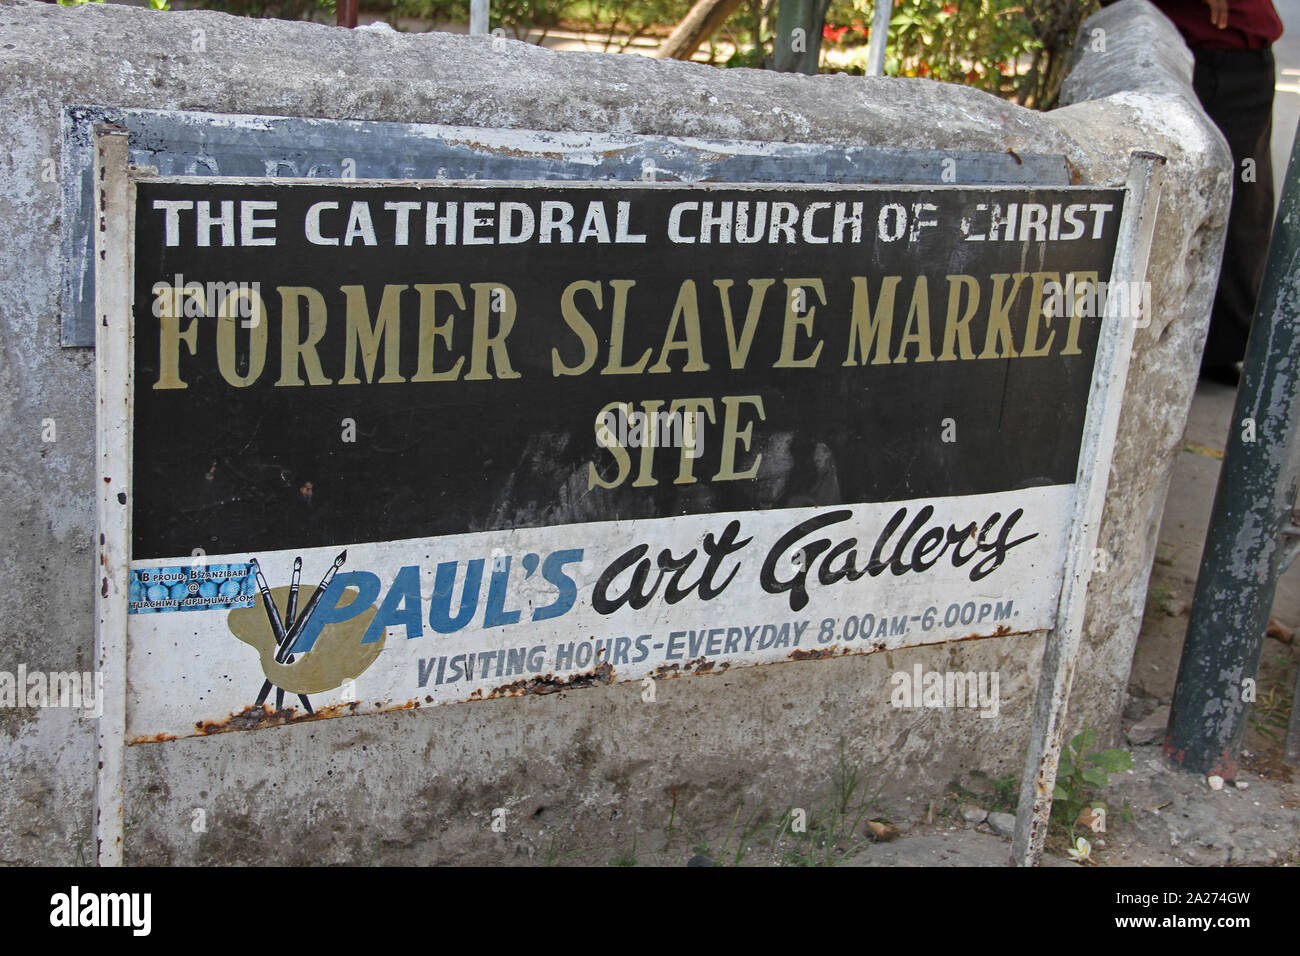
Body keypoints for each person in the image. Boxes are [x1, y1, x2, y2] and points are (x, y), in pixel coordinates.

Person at [1148, 0, 1284, 386]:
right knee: (1167, 205)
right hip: (1184, 49)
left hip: (1243, 55)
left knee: (1243, 207)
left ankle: (1218, 349)